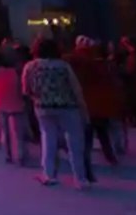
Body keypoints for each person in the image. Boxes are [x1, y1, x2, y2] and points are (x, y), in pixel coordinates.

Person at [22, 38, 90, 188]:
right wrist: (83, 109)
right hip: (67, 106)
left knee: (48, 139)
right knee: (74, 142)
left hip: (42, 107)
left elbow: (26, 90)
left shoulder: (30, 67)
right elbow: (76, 89)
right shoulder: (63, 66)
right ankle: (80, 178)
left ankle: (48, 174)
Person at [67, 38, 122, 182]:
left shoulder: (77, 62)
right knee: (102, 132)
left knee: (86, 139)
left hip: (86, 103)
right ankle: (110, 157)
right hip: (101, 104)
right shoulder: (104, 65)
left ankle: (87, 169)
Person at [0, 47, 28, 166]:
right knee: (19, 132)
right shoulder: (14, 72)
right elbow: (20, 88)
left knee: (5, 130)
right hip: (16, 102)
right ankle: (21, 155)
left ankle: (8, 155)